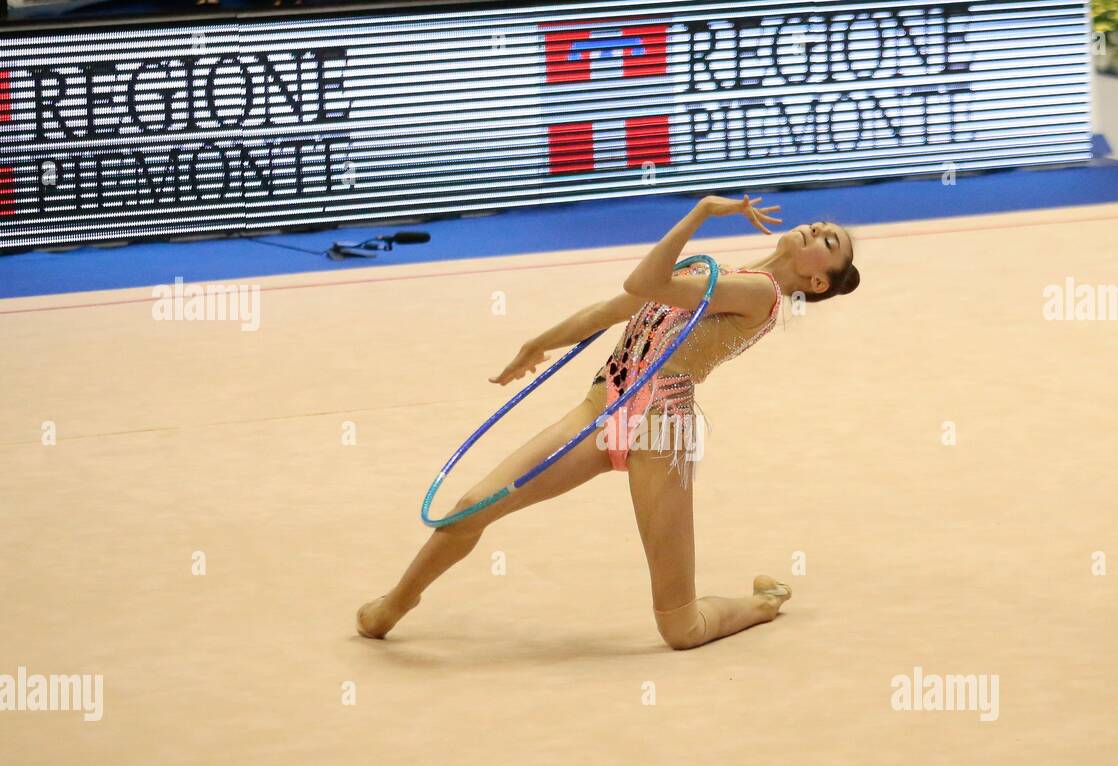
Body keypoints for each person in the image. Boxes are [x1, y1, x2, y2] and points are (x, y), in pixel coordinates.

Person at [357, 194, 859, 649]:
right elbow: (616, 307)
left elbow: (642, 282)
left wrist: (702, 211)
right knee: (472, 506)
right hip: (604, 406)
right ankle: (395, 604)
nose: (816, 228)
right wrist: (540, 343)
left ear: (817, 282)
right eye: (819, 224)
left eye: (828, 240)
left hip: (660, 432)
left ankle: (763, 602)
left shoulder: (762, 295)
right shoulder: (721, 274)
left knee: (680, 627)